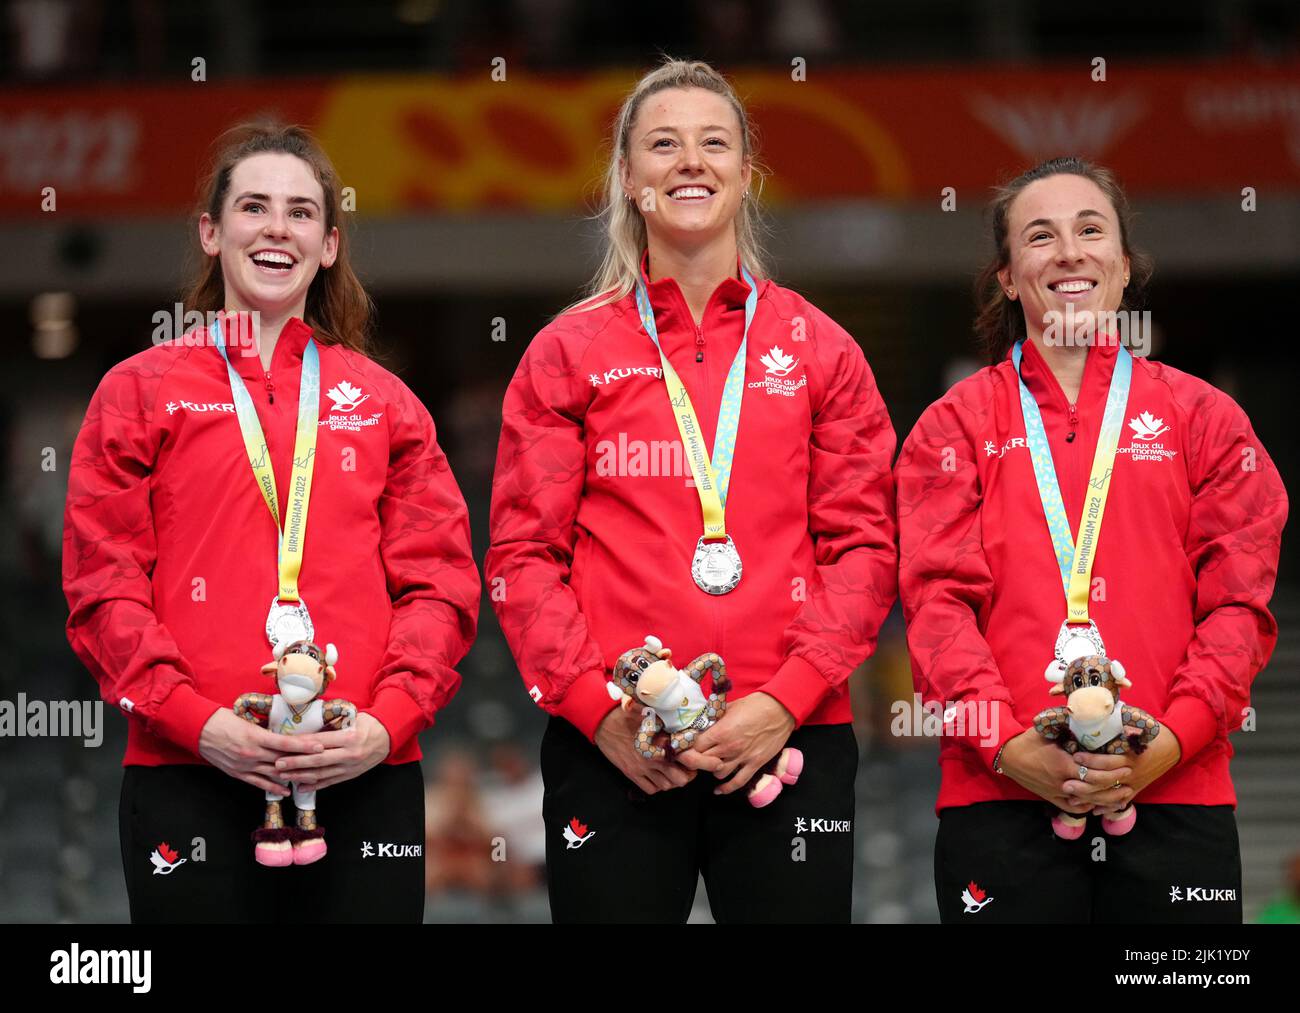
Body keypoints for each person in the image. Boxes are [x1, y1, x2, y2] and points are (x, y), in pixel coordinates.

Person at [485, 58, 897, 923]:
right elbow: (523, 558)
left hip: (791, 741)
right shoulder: (567, 352)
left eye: (714, 143)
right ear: (628, 177)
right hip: (615, 748)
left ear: (747, 173)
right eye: (663, 145)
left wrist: (785, 698)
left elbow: (864, 548)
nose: (690, 162)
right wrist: (598, 712)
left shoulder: (822, 350)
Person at [62, 122, 480, 923]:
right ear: (211, 232)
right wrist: (197, 723)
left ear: (329, 245)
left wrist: (385, 725)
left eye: (301, 212)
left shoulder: (387, 403)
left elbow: (442, 584)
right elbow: (101, 585)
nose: (277, 228)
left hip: (364, 774)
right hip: (187, 771)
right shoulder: (138, 391)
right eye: (253, 207)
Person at [895, 156, 1287, 923]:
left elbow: (1239, 607)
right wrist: (1008, 746)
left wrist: (1172, 740)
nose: (1069, 252)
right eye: (1040, 236)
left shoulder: (1205, 420)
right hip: (1000, 799)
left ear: (1125, 264)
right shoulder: (954, 426)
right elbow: (936, 611)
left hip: (1177, 795)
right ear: (1009, 277)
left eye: (1090, 229)